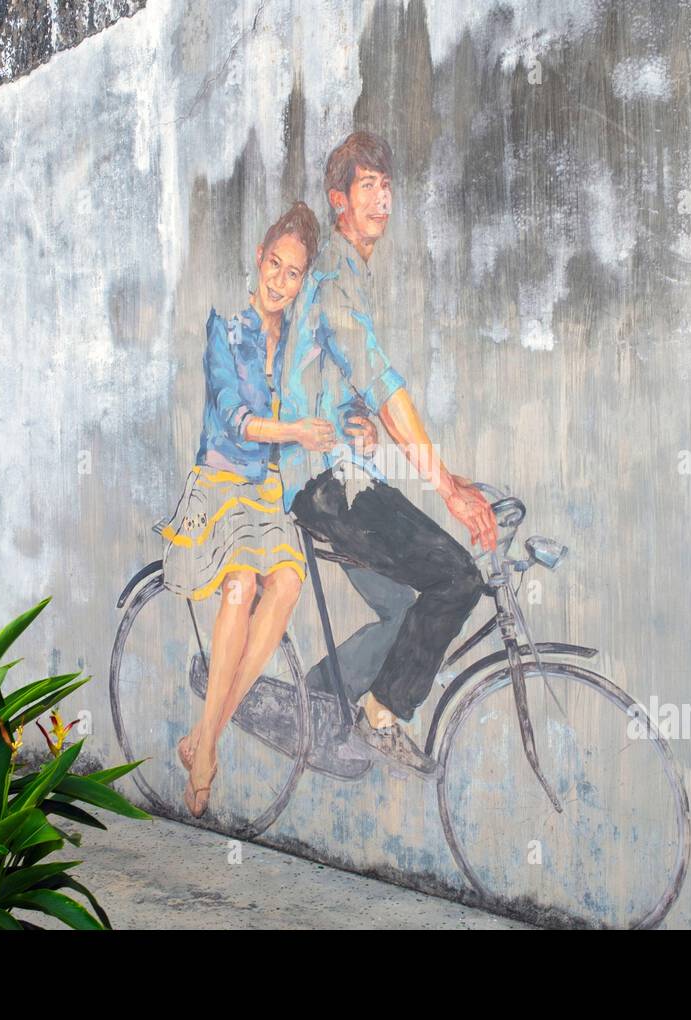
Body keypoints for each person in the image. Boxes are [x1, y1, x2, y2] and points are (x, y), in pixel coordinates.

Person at [279, 132, 498, 776]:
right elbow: (380, 378)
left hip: (346, 474)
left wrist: (443, 470)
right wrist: (448, 490)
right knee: (457, 577)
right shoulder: (333, 278)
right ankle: (382, 713)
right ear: (338, 201)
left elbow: (350, 389)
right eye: (367, 186)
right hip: (328, 485)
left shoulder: (352, 275)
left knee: (403, 609)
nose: (383, 199)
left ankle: (314, 704)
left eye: (387, 185)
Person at [157, 200, 377, 816]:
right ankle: (204, 758)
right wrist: (298, 435)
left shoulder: (297, 340)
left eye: (293, 274)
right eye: (273, 267)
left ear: (304, 278)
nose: (279, 284)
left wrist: (350, 422)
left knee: (285, 585)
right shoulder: (226, 329)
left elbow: (317, 409)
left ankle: (206, 736)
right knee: (240, 587)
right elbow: (237, 418)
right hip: (222, 488)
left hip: (268, 497)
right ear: (258, 260)